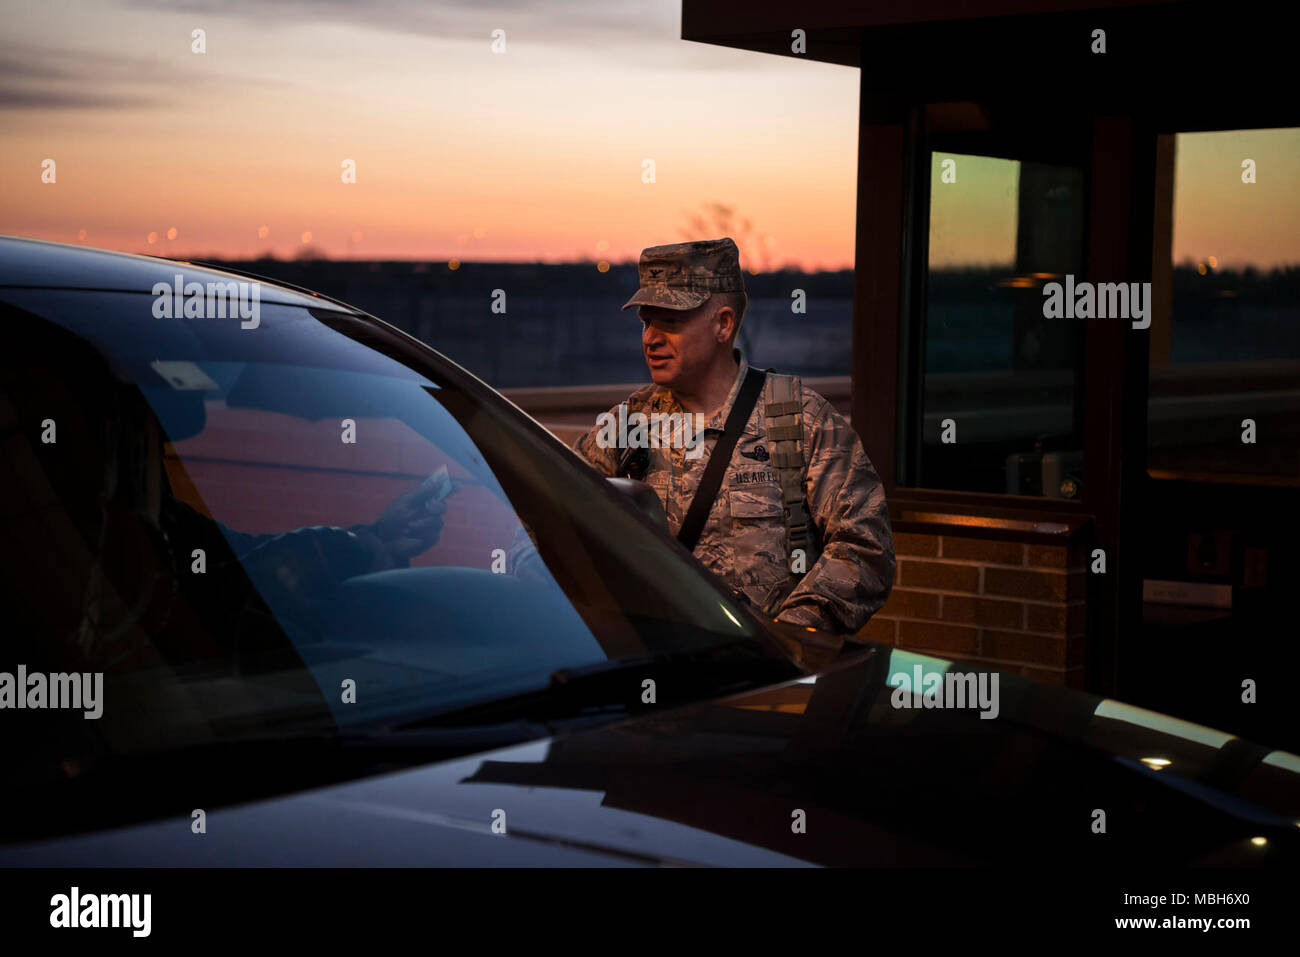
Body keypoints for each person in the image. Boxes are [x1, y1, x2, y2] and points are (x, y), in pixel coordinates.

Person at [571, 237, 894, 636]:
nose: (651, 338)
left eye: (670, 321)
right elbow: (545, 521)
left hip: (762, 683)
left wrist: (788, 639)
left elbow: (865, 548)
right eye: (646, 320)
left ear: (723, 324)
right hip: (650, 668)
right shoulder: (626, 426)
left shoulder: (797, 421)